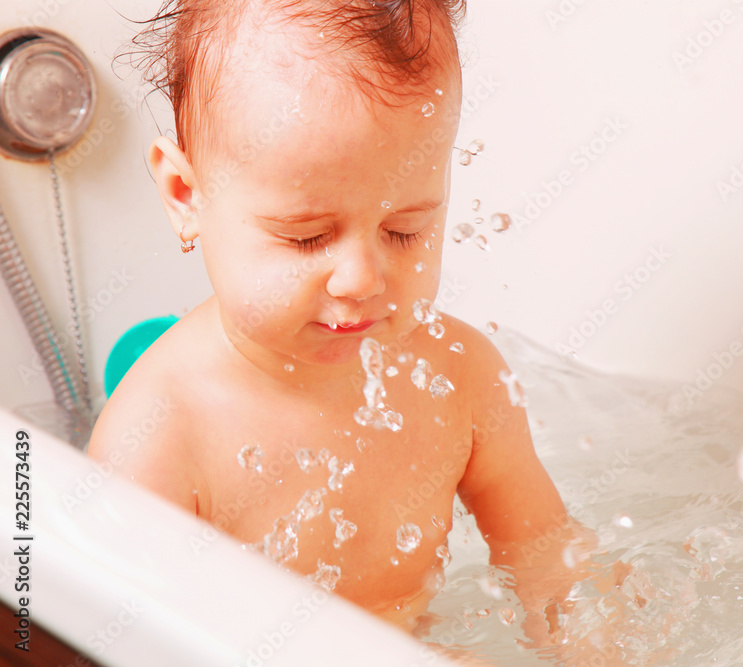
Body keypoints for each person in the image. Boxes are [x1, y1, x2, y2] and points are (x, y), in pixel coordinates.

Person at [89, 0, 595, 634]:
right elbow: (127, 639)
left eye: (405, 230)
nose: (362, 280)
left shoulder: (460, 380)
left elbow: (551, 566)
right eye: (306, 237)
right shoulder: (159, 441)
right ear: (187, 196)